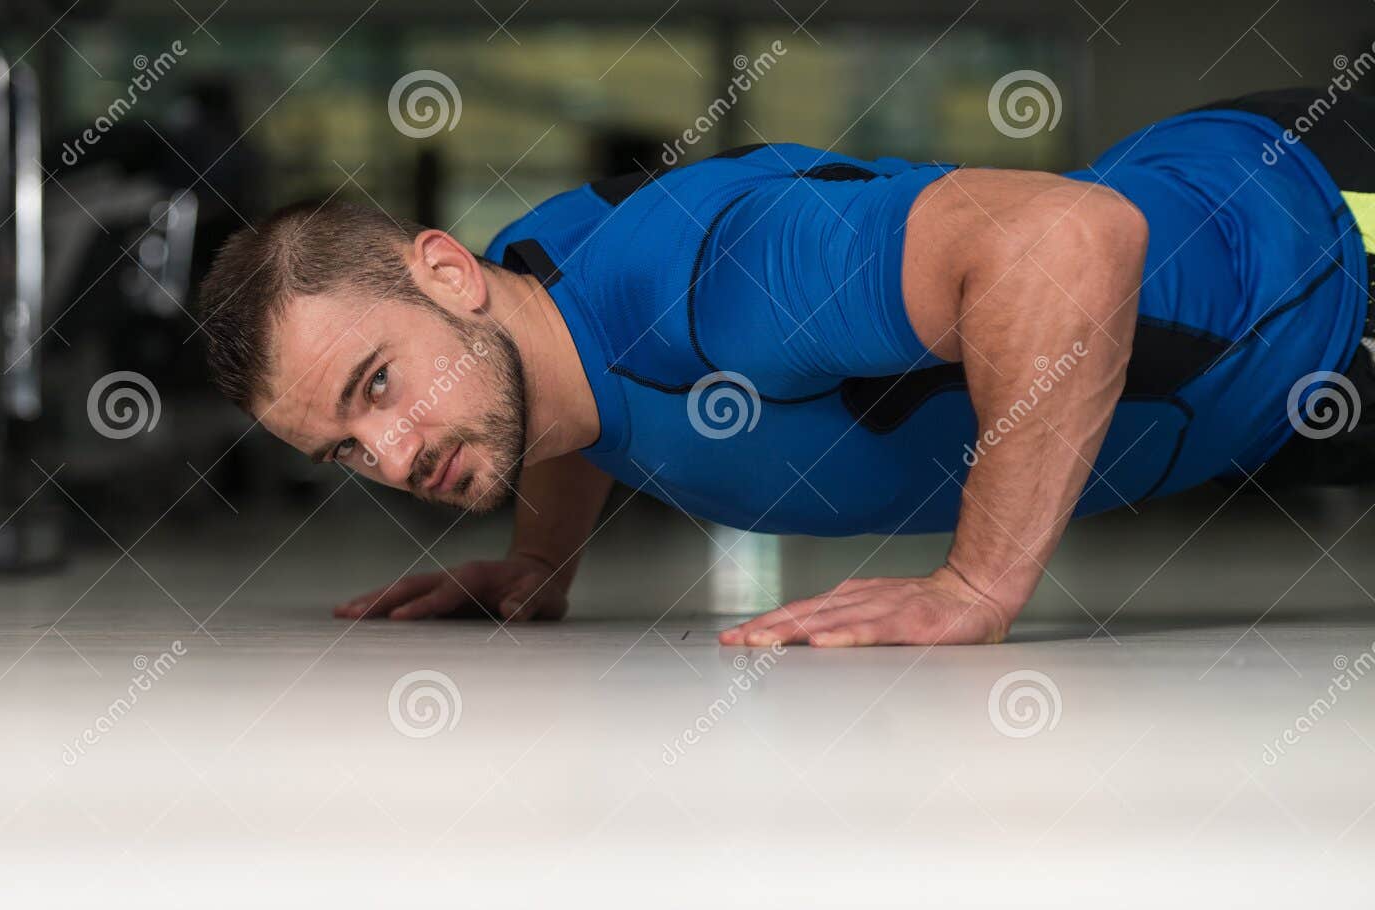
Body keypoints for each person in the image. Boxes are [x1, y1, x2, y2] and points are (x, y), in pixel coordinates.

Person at [196, 89, 1374, 647]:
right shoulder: (524, 283)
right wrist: (538, 562)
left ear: (445, 274)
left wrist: (974, 588)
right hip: (1283, 351)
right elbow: (573, 397)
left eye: (377, 388)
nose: (393, 460)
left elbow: (1070, 240)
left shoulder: (719, 287)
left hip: (1326, 247)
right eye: (345, 449)